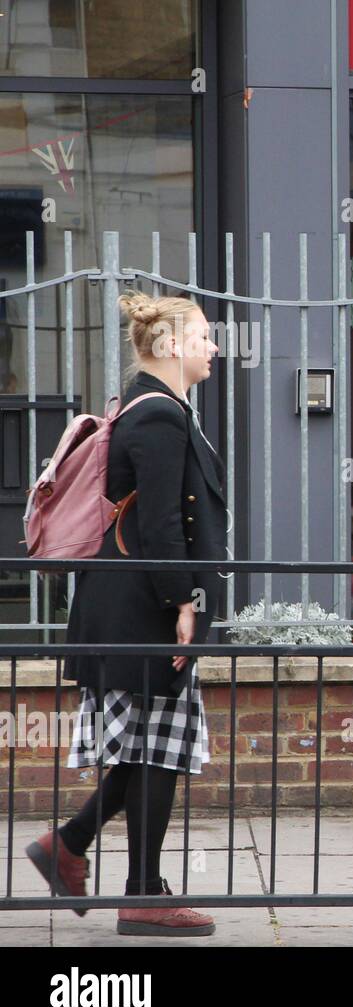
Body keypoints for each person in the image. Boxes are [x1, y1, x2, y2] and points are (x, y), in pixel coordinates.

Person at [27, 291, 227, 934]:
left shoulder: (150, 408)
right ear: (170, 346)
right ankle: (136, 890)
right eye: (203, 337)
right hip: (143, 609)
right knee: (156, 748)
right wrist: (183, 602)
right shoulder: (158, 416)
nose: (214, 347)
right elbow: (165, 523)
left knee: (151, 747)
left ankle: (79, 851)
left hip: (132, 605)